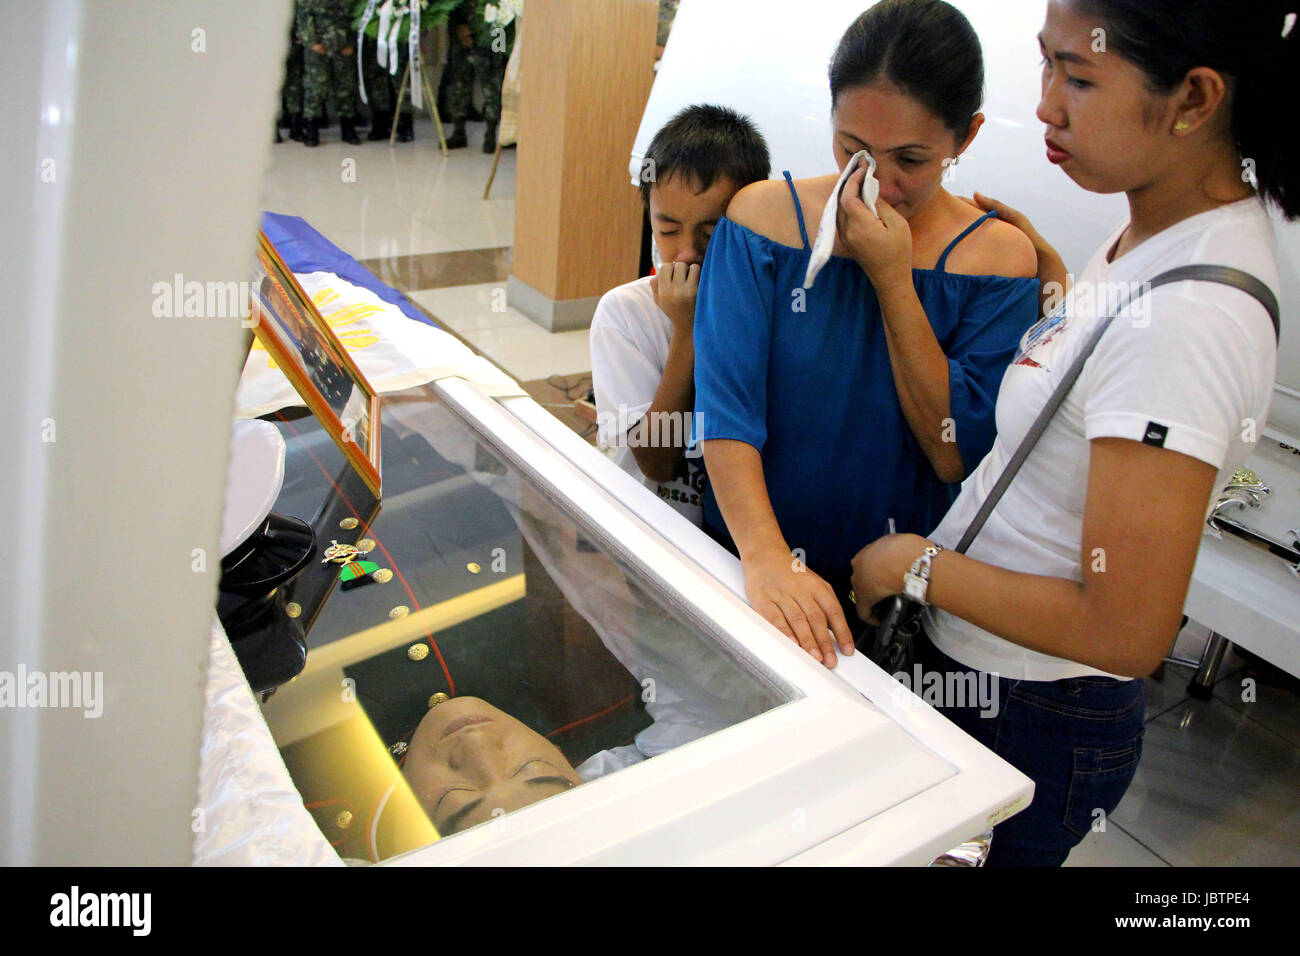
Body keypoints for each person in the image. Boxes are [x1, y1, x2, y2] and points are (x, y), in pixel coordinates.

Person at [849, 0, 1292, 866]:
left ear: (1194, 99)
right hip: (994, 677)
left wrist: (916, 567)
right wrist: (1059, 304)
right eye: (1045, 62)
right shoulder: (1153, 231)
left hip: (1031, 709)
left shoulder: (1189, 316)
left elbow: (1126, 629)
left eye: (1079, 78)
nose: (1047, 104)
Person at [694, 0, 1038, 667]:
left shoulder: (996, 261)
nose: (875, 180)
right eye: (853, 148)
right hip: (751, 563)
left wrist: (892, 280)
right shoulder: (761, 221)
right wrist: (766, 557)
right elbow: (727, 409)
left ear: (964, 138)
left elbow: (954, 452)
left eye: (910, 157)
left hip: (890, 601)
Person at [590, 105, 771, 528]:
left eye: (710, 233)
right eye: (668, 230)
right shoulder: (625, 314)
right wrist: (688, 333)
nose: (687, 252)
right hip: (654, 533)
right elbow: (656, 461)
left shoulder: (768, 307)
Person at [298, 0, 362, 146]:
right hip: (318, 49)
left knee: (345, 88)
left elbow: (357, 17)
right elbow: (303, 17)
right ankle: (311, 130)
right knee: (315, 88)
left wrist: (351, 43)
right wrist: (313, 42)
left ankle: (348, 129)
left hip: (343, 48)